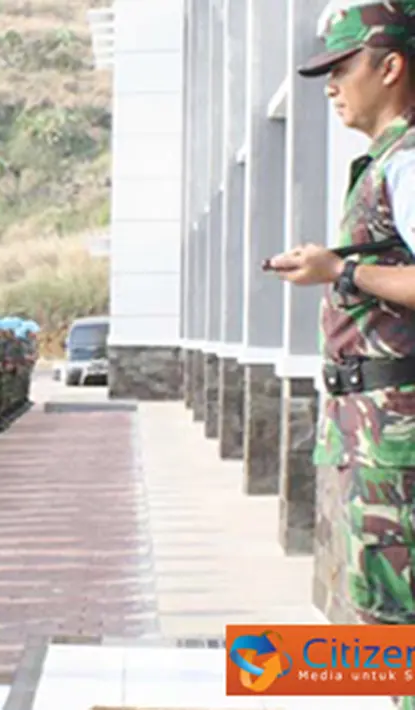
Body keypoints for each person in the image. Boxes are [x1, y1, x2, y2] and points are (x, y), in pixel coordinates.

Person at [267, 5, 415, 708]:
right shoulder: (386, 162)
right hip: (374, 437)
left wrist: (342, 273)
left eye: (341, 69)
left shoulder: (408, 161)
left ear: (390, 67)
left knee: (397, 629)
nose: (329, 86)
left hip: (397, 448)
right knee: (382, 628)